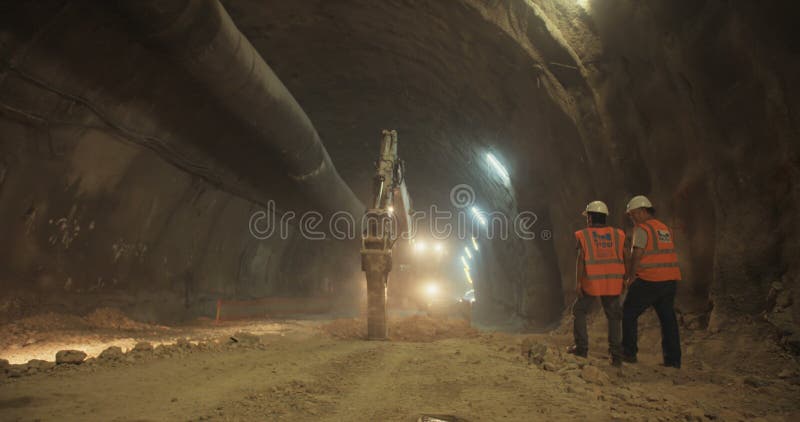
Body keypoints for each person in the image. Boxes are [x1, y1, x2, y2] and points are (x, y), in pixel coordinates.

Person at [622, 195, 682, 368]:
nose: (632, 218)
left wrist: (631, 277)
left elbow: (638, 254)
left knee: (628, 313)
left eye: (632, 215)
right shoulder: (664, 228)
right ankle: (673, 361)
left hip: (650, 279)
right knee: (668, 319)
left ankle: (628, 353)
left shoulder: (642, 229)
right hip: (670, 279)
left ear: (641, 212)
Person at [567, 200, 626, 367]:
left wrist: (578, 282)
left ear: (590, 218)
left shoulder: (584, 235)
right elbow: (625, 256)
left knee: (579, 310)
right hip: (613, 281)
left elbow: (580, 260)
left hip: (593, 281)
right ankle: (616, 356)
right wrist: (626, 277)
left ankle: (581, 348)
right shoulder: (618, 234)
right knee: (614, 316)